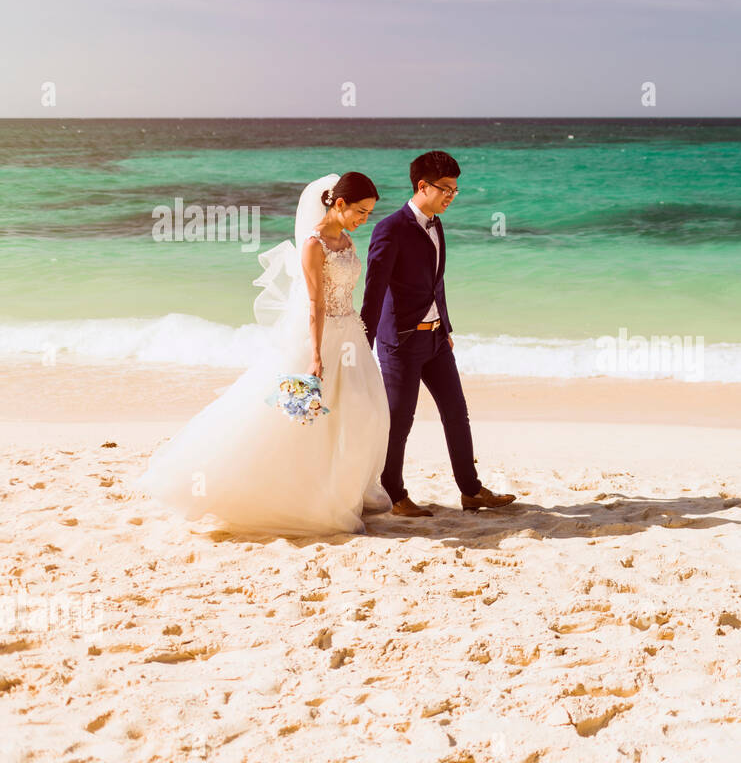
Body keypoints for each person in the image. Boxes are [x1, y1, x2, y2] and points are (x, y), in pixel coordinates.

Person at [132, 173, 392, 535]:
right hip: (315, 340)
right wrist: (315, 357)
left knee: (359, 413)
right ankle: (291, 497)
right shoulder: (313, 244)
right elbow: (314, 304)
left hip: (351, 337)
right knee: (299, 422)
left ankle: (343, 492)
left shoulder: (346, 241)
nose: (364, 220)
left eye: (369, 213)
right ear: (340, 204)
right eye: (361, 212)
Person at [361, 151, 515, 516]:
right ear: (422, 186)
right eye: (446, 189)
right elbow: (374, 289)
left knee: (456, 412)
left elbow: (436, 283)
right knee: (400, 420)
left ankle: (471, 490)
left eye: (456, 190)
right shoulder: (390, 228)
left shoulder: (436, 222)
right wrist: (364, 343)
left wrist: (444, 326)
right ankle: (395, 495)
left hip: (435, 339)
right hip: (401, 341)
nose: (451, 196)